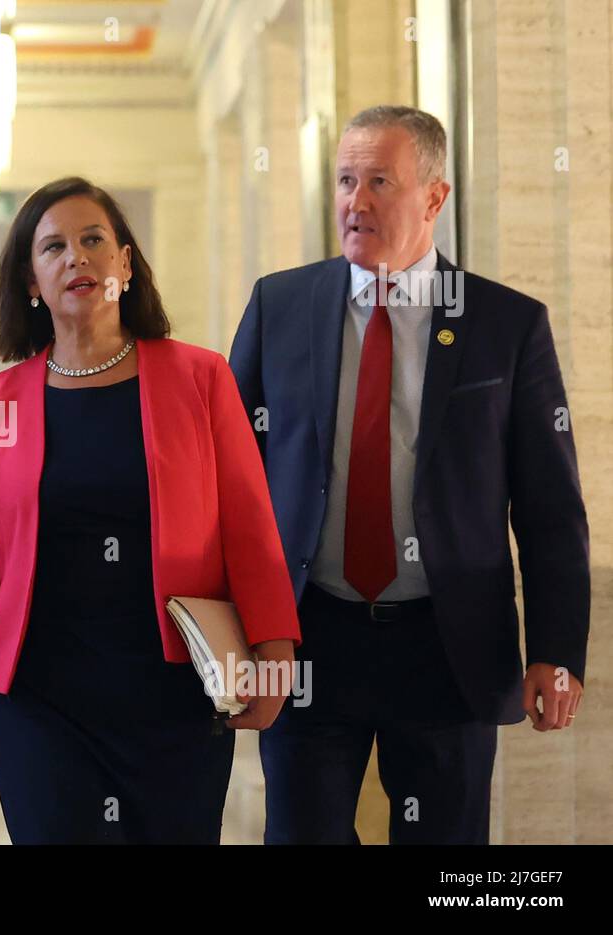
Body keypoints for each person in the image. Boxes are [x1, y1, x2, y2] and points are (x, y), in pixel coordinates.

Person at [229, 105, 590, 844]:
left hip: (445, 644)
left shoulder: (504, 323)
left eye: (379, 183)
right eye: (345, 181)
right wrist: (230, 629)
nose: (355, 203)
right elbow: (228, 475)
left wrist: (556, 649)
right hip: (307, 636)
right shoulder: (282, 305)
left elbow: (551, 508)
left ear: (434, 197)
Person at [0, 177, 301, 844]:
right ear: (31, 280)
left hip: (173, 695)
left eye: (94, 240)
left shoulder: (201, 379)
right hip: (40, 705)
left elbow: (250, 528)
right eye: (55, 246)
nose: (77, 258)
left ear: (125, 263)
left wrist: (272, 656)